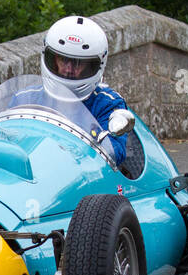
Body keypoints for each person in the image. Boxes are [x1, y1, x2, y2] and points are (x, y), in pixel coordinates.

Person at [39, 15, 131, 166]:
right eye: (63, 59)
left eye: (78, 63)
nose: (68, 69)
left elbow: (115, 152)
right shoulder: (27, 97)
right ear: (51, 58)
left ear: (95, 65)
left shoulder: (108, 103)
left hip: (82, 176)